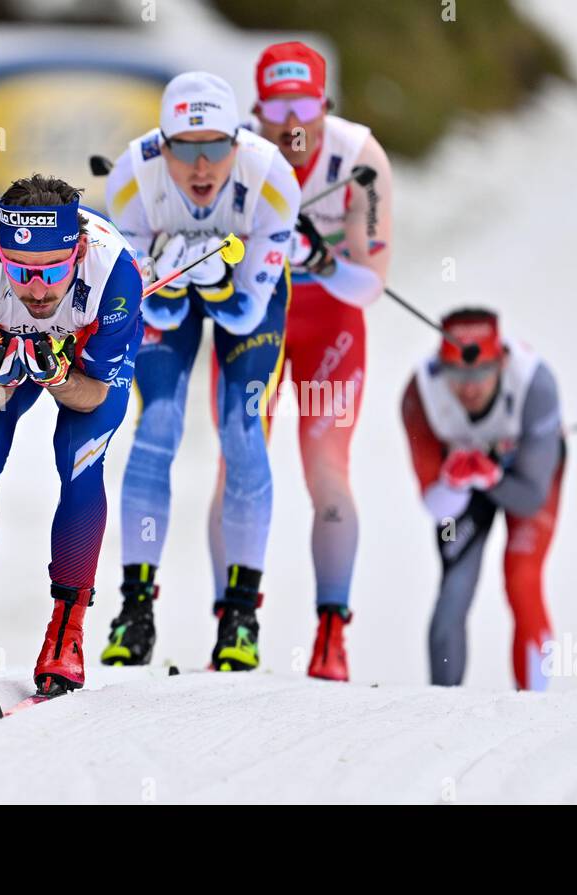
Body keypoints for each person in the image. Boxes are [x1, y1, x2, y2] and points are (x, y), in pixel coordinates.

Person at [203, 40, 394, 681]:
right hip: (254, 321)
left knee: (326, 471)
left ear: (325, 105)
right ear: (256, 111)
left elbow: (371, 284)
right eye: (278, 107)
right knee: (238, 463)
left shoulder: (358, 158)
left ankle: (331, 633)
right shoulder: (234, 156)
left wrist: (320, 262)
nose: (291, 123)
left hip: (330, 329)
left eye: (304, 104)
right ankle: (233, 622)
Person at [0, 174, 144, 695]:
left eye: (52, 271)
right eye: (21, 272)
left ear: (79, 251)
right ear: (0, 253)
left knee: (82, 461)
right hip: (7, 350)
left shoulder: (117, 274)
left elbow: (95, 396)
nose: (37, 289)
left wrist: (58, 376)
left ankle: (66, 633)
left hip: (83, 358)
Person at [101, 72, 300, 671]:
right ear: (162, 147)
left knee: (243, 434)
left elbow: (243, 315)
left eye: (216, 146)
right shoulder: (131, 179)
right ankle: (134, 611)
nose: (202, 164)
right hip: (179, 290)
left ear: (239, 142)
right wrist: (173, 274)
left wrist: (206, 277)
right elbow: (155, 306)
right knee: (156, 426)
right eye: (185, 149)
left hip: (245, 297)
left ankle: (240, 616)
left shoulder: (272, 180)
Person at [401, 308, 565, 689]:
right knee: (455, 586)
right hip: (464, 485)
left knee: (522, 578)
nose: (469, 388)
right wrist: (456, 482)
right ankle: (441, 702)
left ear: (502, 363)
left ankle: (535, 703)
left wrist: (491, 475)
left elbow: (529, 499)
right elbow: (432, 505)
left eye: (480, 374)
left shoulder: (536, 386)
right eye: (457, 375)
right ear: (442, 368)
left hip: (524, 477)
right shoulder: (419, 394)